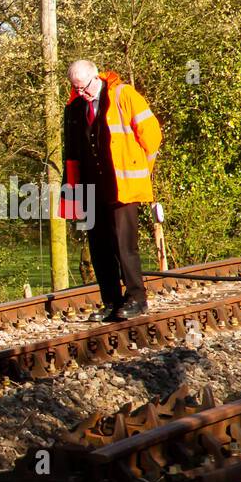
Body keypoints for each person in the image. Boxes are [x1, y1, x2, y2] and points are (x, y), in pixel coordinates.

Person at [61, 59, 162, 321]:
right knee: (99, 247)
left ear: (96, 78)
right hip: (91, 187)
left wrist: (141, 170)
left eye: (83, 87)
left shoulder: (123, 95)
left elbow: (152, 137)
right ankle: (111, 301)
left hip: (123, 184)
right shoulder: (73, 108)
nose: (80, 93)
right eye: (75, 88)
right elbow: (71, 152)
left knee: (124, 245)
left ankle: (137, 299)